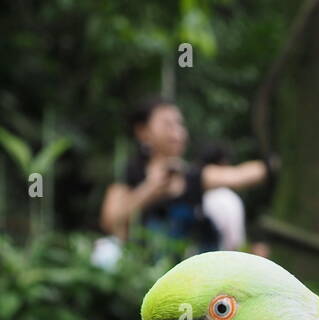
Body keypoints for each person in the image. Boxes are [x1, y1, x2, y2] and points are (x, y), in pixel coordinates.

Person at [100, 97, 267, 253]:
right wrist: (150, 190)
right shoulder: (130, 176)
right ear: (143, 131)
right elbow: (110, 221)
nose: (177, 132)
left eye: (179, 124)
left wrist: (271, 165)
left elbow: (240, 175)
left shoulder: (193, 175)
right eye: (168, 125)